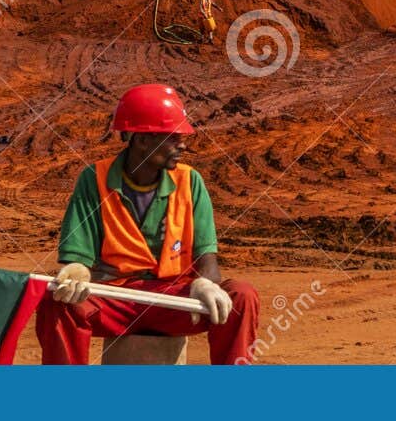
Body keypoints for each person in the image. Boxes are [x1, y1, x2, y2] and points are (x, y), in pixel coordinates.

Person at [37, 84, 260, 364]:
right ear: (142, 139)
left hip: (175, 300)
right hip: (115, 297)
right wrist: (75, 273)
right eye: (173, 137)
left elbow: (208, 262)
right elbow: (79, 256)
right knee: (56, 304)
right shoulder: (94, 178)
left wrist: (204, 285)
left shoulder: (190, 181)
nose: (182, 145)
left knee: (242, 297)